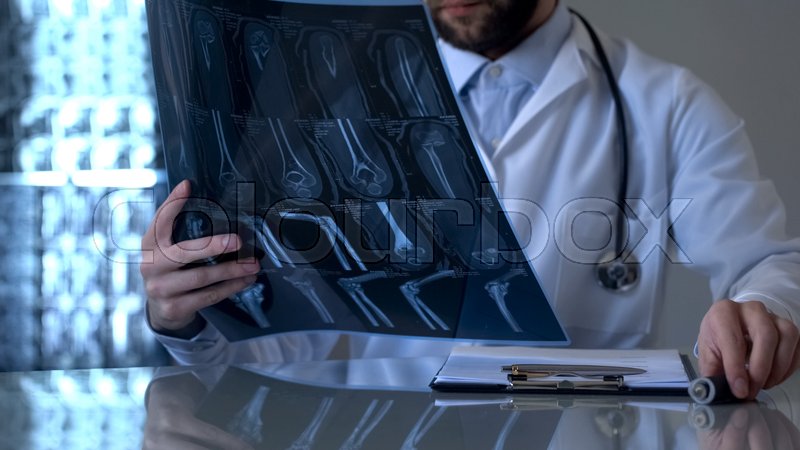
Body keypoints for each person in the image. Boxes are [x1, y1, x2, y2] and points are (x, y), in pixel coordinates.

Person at [141, 0, 800, 399]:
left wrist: (760, 313)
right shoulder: (327, 107)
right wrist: (187, 318)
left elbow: (769, 265)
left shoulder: (666, 105)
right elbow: (269, 359)